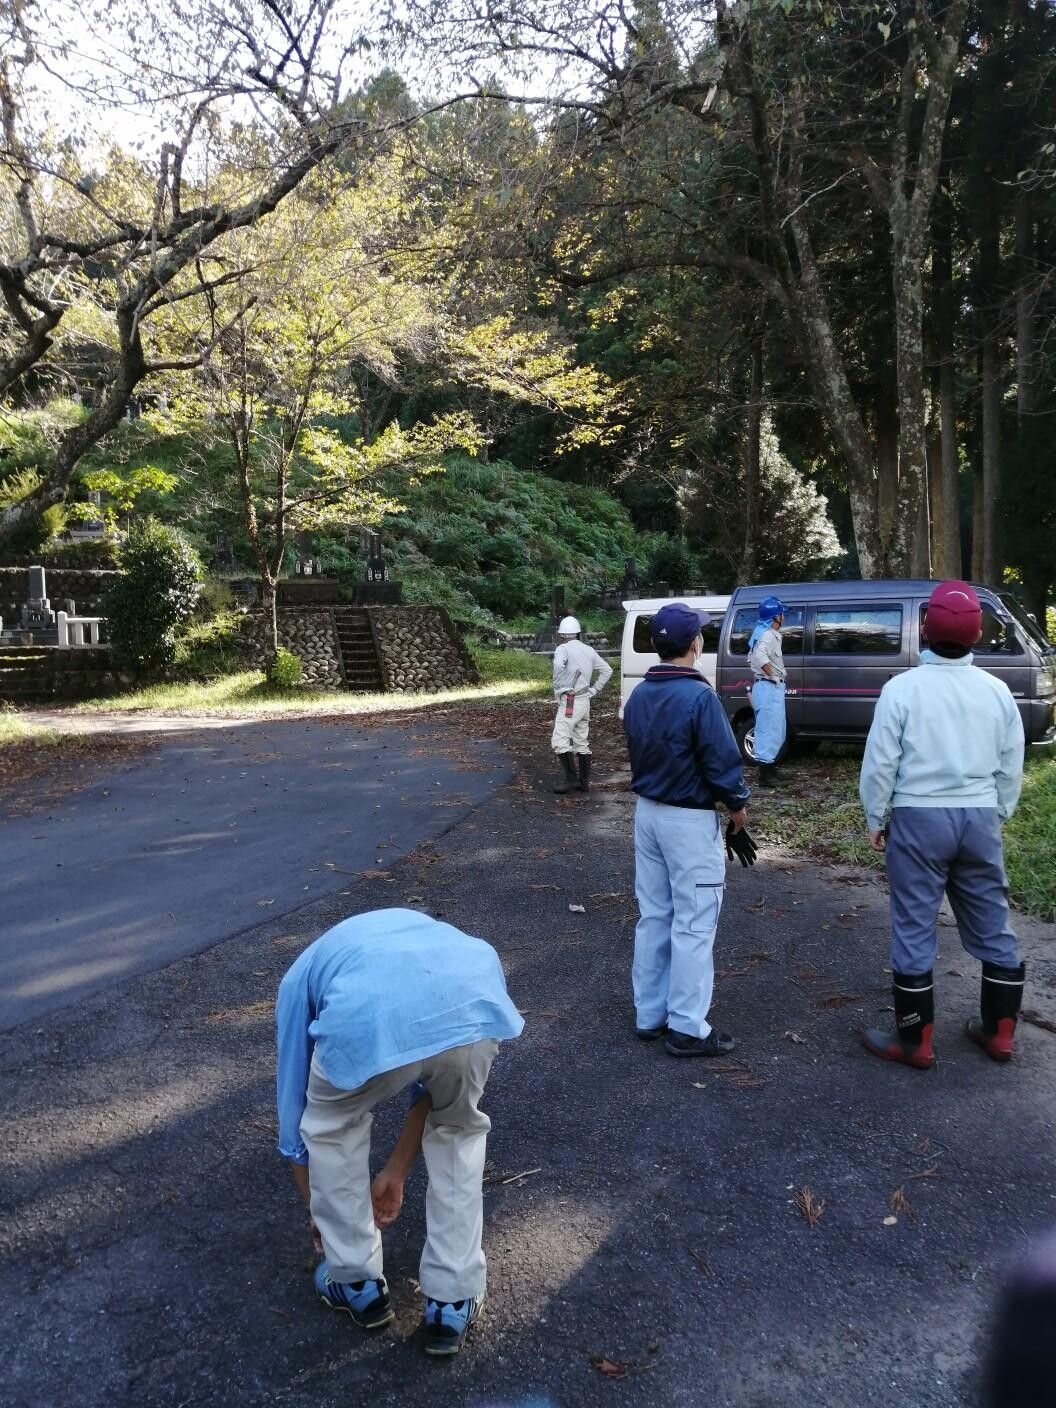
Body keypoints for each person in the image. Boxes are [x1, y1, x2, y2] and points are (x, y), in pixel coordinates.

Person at [275, 908, 524, 1356]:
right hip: (473, 996)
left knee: (333, 1128)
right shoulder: (411, 933)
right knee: (457, 1128)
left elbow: (296, 1118)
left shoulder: (299, 979)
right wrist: (396, 1170)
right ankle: (453, 1298)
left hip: (368, 1013)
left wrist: (321, 1208)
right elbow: (431, 1074)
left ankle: (355, 1283)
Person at [858, 580, 1025, 1070]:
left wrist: (876, 816)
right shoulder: (997, 692)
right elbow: (1008, 767)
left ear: (925, 630)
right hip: (978, 819)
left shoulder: (902, 689)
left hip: (916, 819)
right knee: (994, 922)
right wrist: (995, 815)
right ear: (977, 636)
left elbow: (880, 764)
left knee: (914, 926)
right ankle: (999, 1034)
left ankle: (916, 1042)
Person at [622, 602, 755, 1058]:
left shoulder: (640, 694)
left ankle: (649, 1014)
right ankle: (686, 1027)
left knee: (655, 914)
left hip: (648, 813)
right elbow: (721, 762)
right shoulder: (699, 697)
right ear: (694, 645)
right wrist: (737, 806)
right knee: (695, 921)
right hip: (688, 818)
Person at [550, 614, 612, 795]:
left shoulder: (563, 649)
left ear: (562, 634)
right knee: (580, 740)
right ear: (578, 633)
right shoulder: (588, 650)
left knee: (560, 739)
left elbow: (558, 667)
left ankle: (571, 779)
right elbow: (607, 670)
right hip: (585, 700)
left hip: (570, 700)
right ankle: (584, 782)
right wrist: (594, 690)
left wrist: (558, 687)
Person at [747, 596, 787, 787]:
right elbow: (759, 657)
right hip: (768, 686)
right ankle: (765, 776)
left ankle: (770, 769)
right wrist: (773, 675)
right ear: (775, 616)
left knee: (774, 729)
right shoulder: (767, 635)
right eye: (781, 613)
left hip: (767, 687)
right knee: (768, 729)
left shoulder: (762, 633)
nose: (783, 616)